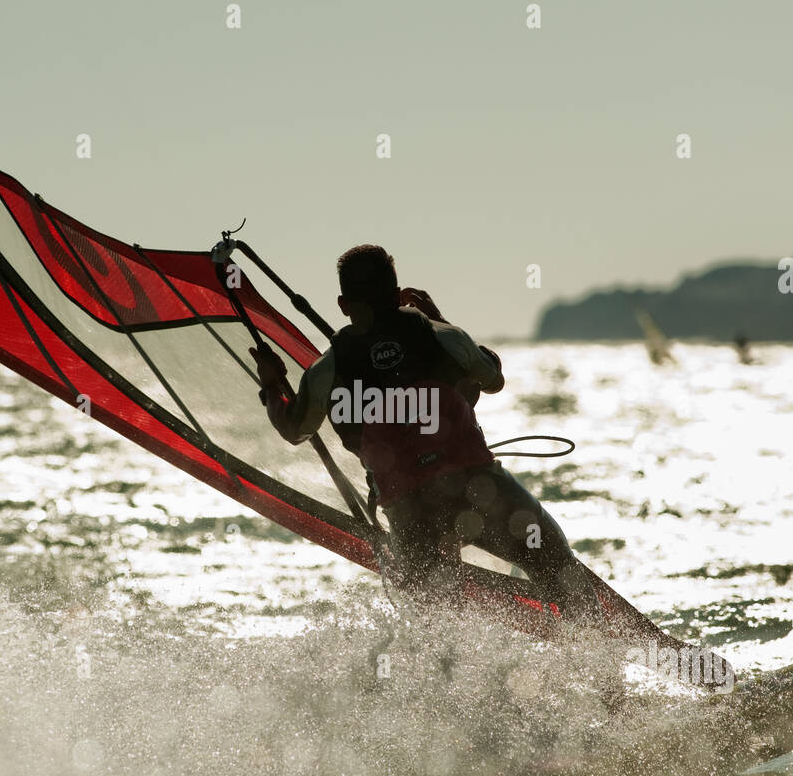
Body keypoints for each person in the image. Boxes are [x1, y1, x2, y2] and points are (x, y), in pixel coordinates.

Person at [250, 245, 717, 667]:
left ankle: (457, 738)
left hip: (411, 513)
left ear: (343, 306)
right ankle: (616, 706)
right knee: (558, 569)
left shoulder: (328, 368)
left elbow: (294, 429)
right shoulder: (438, 335)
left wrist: (272, 382)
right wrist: (439, 317)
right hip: (479, 492)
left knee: (439, 629)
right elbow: (491, 378)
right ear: (399, 294)